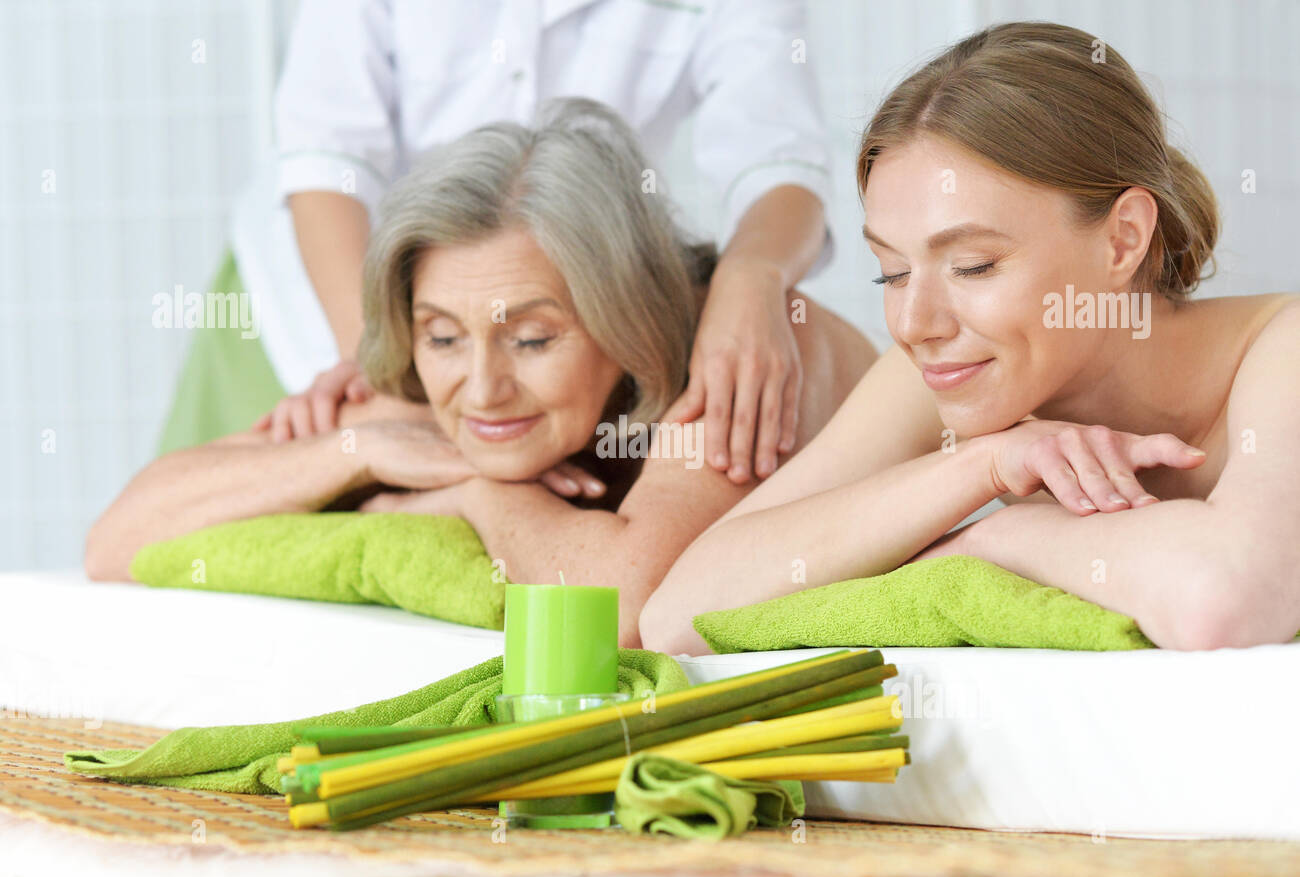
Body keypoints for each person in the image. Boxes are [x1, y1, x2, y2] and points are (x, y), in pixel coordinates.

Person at [88, 100, 875, 647]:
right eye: (440, 337)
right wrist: (352, 453)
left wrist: (470, 489)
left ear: (627, 317)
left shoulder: (727, 358)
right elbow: (118, 540)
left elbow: (627, 608)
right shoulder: (439, 379)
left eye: (533, 340)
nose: (482, 388)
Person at [641, 22, 1300, 654]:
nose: (913, 324)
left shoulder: (1282, 350)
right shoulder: (954, 370)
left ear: (1123, 237)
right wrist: (979, 465)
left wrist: (996, 537)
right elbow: (678, 615)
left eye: (973, 266)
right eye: (892, 273)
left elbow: (1225, 601)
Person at [164, 0, 838, 489]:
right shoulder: (403, 351)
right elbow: (327, 160)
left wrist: (752, 280)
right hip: (323, 296)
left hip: (565, 322)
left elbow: (777, 163)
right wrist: (388, 360)